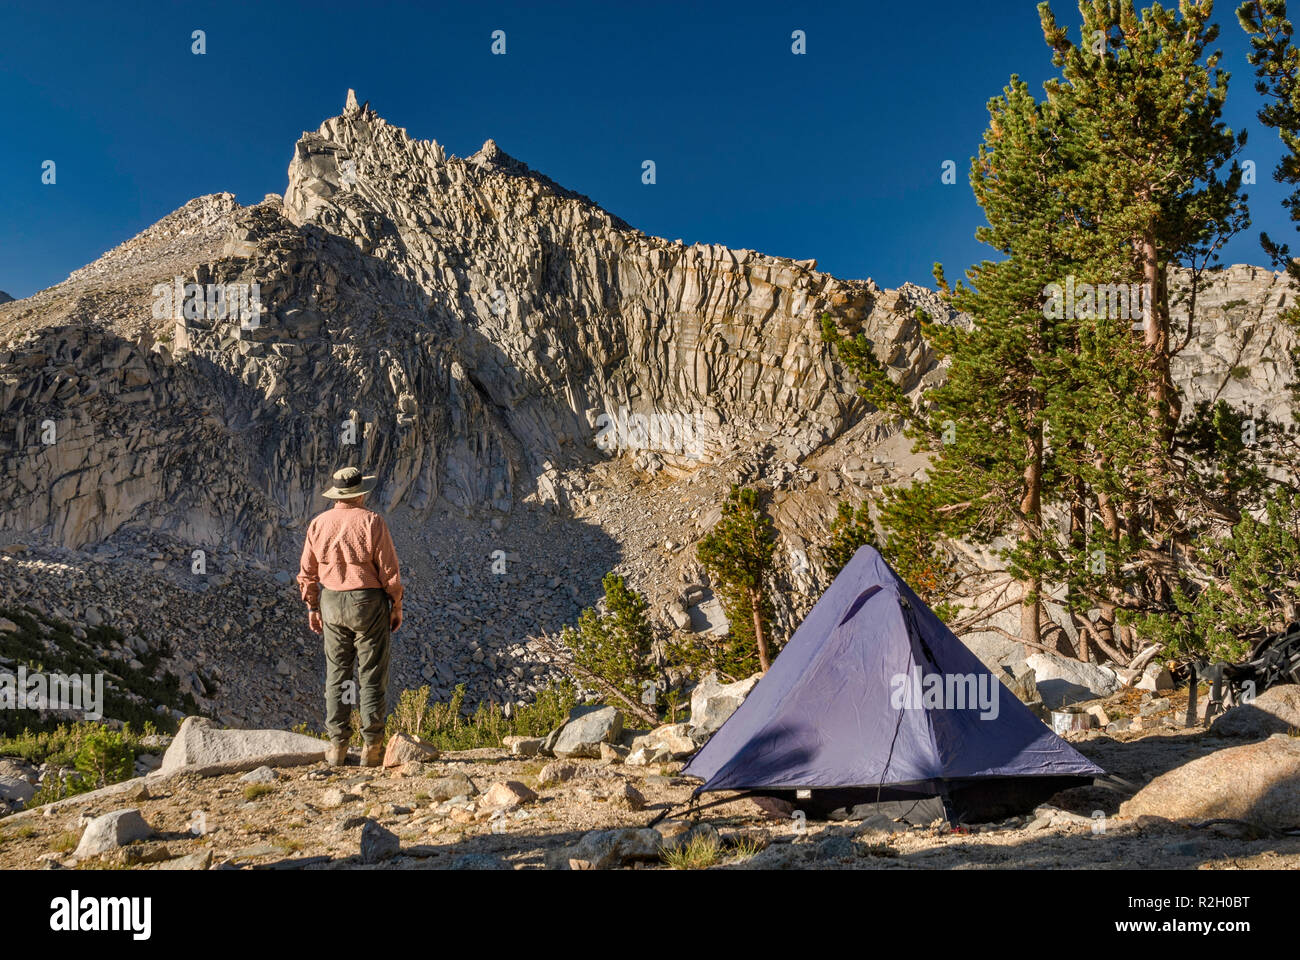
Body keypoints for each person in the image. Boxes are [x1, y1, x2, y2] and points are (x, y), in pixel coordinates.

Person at [296, 467, 403, 766]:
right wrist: (396, 605)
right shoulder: (372, 521)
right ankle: (372, 747)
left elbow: (306, 573)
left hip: (331, 601)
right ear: (360, 493)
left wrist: (313, 608)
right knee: (370, 674)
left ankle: (338, 746)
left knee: (337, 674)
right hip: (367, 601)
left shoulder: (318, 524)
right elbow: (389, 572)